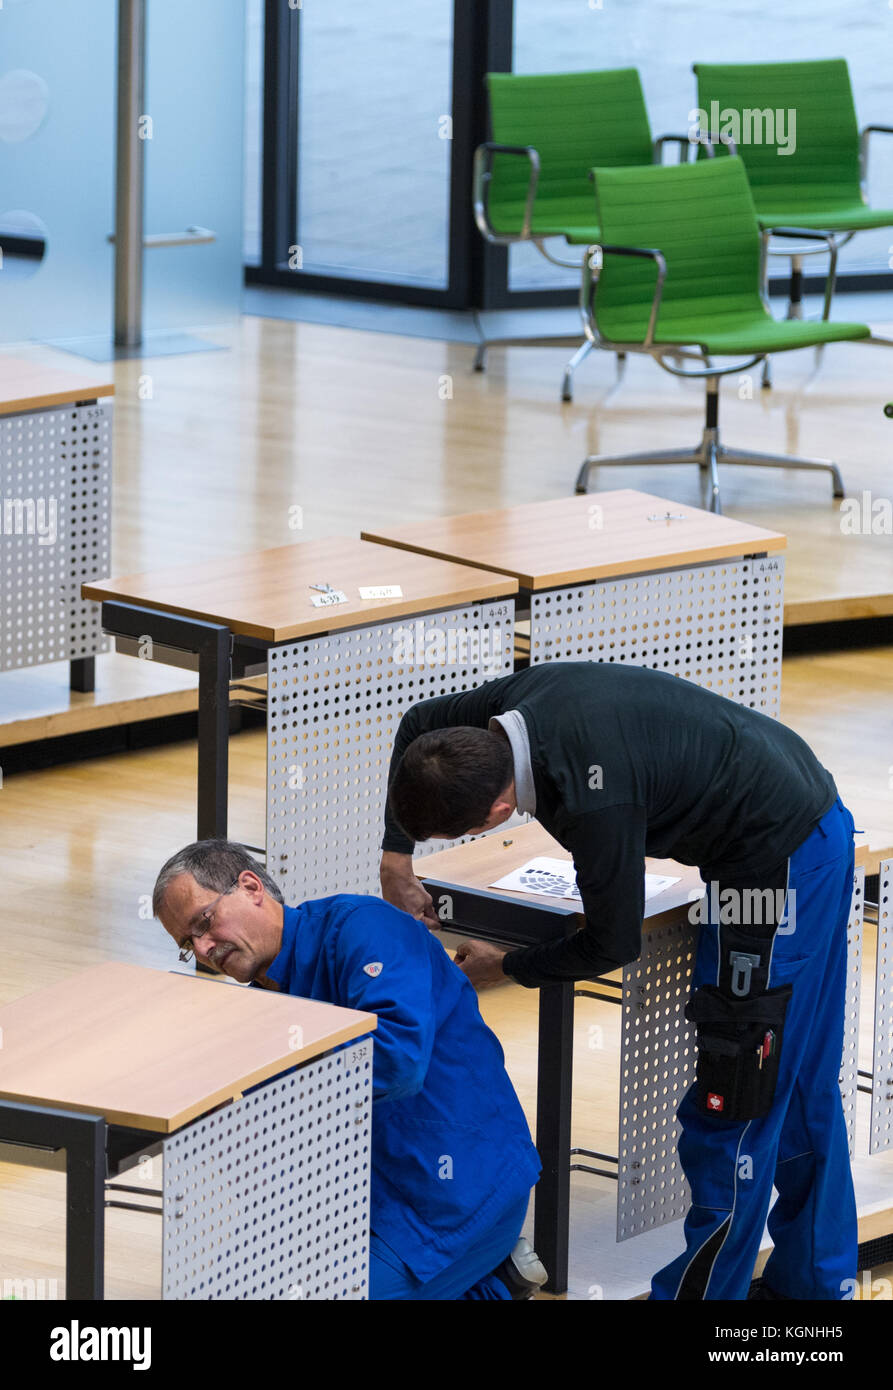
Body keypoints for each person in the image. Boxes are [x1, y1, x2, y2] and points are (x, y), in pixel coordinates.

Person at [379, 661, 857, 1301]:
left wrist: (507, 966)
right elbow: (416, 724)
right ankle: (816, 1288)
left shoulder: (590, 800)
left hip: (777, 868)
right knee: (794, 1080)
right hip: (805, 822)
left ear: (496, 813)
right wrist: (395, 853)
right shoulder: (517, 706)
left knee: (739, 1091)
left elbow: (612, 941)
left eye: (458, 834)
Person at [153, 839, 544, 1301]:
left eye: (204, 922)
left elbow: (398, 1063)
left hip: (458, 1193)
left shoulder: (366, 928)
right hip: (358, 1195)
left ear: (251, 886)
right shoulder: (264, 998)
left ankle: (490, 1286)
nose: (203, 948)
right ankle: (485, 1280)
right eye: (187, 943)